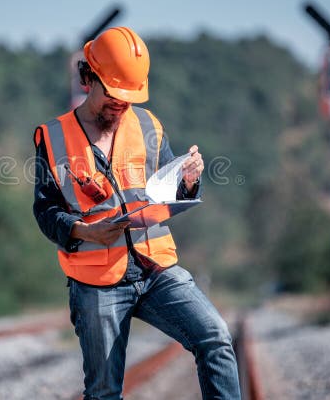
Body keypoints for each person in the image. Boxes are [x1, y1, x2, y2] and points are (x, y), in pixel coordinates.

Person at [32, 26, 241, 400]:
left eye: (129, 96)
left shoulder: (148, 126)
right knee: (103, 391)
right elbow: (45, 209)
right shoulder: (53, 138)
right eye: (114, 94)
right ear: (88, 77)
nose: (121, 104)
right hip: (97, 280)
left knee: (216, 339)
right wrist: (84, 231)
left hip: (155, 268)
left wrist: (189, 181)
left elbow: (169, 187)